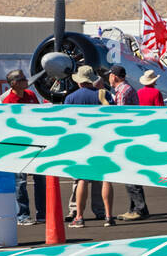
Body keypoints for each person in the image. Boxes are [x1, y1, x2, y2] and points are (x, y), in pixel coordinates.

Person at [62, 65, 107, 225]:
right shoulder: (102, 95)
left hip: (78, 143)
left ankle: (74, 211)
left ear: (80, 81)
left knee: (79, 179)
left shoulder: (71, 98)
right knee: (98, 179)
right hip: (99, 142)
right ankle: (100, 210)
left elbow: (66, 123)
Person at [0, 69, 46, 225]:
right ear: (14, 83)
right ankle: (22, 215)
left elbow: (39, 117)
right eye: (23, 79)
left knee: (41, 180)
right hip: (19, 147)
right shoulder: (7, 101)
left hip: (36, 145)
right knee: (20, 183)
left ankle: (42, 213)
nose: (27, 81)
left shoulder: (31, 96)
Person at [109, 65, 150, 222]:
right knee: (132, 175)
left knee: (129, 175)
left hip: (126, 138)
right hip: (133, 136)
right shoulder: (127, 89)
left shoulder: (122, 92)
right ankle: (135, 208)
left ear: (114, 76)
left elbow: (121, 117)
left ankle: (139, 209)